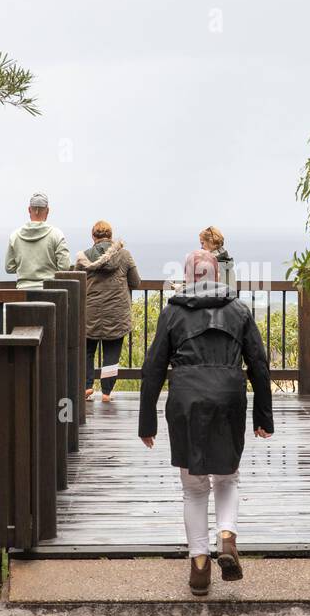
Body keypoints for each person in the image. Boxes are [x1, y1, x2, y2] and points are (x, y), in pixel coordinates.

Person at [139, 249, 273, 596]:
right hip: (228, 395)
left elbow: (153, 366)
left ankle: (199, 566)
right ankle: (226, 536)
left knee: (194, 487)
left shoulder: (172, 312)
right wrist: (264, 416)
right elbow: (258, 363)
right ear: (217, 275)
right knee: (227, 477)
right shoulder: (239, 309)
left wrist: (146, 419)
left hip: (186, 399)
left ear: (187, 277)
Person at [75, 220, 142, 402]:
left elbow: (76, 284)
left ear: (93, 236)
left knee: (87, 351)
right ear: (111, 236)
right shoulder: (124, 255)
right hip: (116, 313)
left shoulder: (83, 258)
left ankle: (87, 386)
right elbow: (136, 282)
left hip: (90, 312)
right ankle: (106, 392)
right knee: (112, 353)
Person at [5, 192, 70, 289]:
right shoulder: (57, 234)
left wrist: (25, 269)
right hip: (49, 293)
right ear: (47, 211)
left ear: (29, 210)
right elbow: (64, 267)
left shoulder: (15, 236)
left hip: (22, 292)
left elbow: (9, 267)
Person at [199, 225, 237, 292]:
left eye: (202, 243)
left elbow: (203, 289)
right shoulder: (228, 262)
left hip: (215, 301)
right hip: (229, 301)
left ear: (210, 242)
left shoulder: (212, 263)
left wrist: (180, 288)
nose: (201, 247)